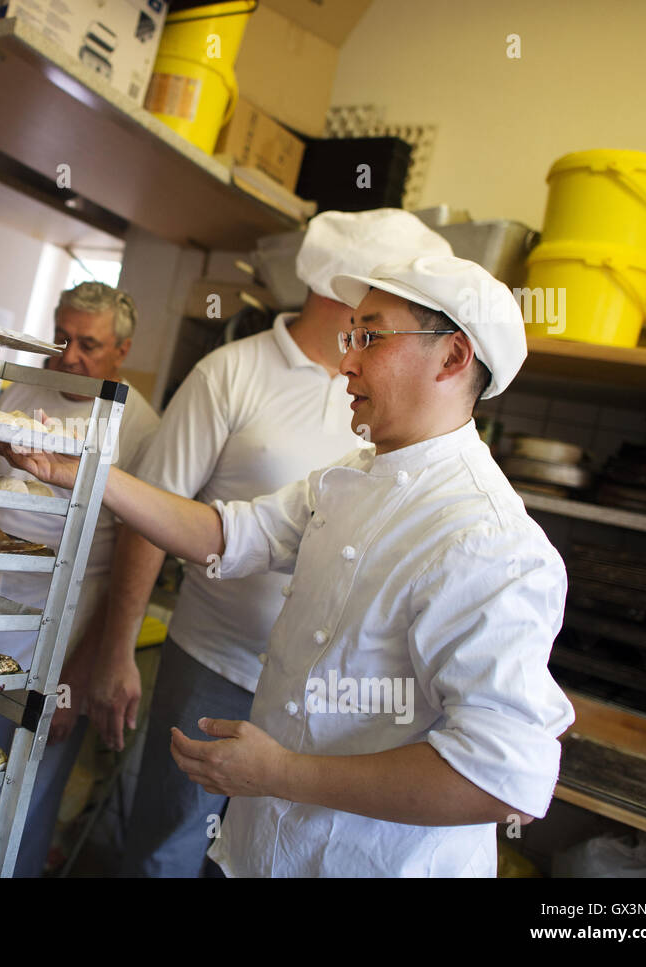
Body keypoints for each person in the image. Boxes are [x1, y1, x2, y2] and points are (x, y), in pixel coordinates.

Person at [0, 254, 575, 877]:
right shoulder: (352, 476)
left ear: (453, 358)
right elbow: (223, 533)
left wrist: (283, 773)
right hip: (266, 849)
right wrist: (87, 473)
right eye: (352, 336)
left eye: (370, 337)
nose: (346, 360)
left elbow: (500, 779)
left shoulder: (489, 541)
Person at [107, 210, 452, 878]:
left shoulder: (387, 418)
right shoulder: (229, 374)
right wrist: (115, 650)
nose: (389, 322)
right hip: (212, 665)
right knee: (168, 849)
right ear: (343, 288)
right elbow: (177, 521)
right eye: (383, 306)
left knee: (260, 857)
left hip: (325, 696)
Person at [0, 281, 161, 877]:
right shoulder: (24, 387)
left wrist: (76, 677)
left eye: (89, 344)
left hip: (58, 634)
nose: (70, 356)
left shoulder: (137, 425)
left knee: (18, 805)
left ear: (122, 349)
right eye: (63, 337)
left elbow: (129, 565)